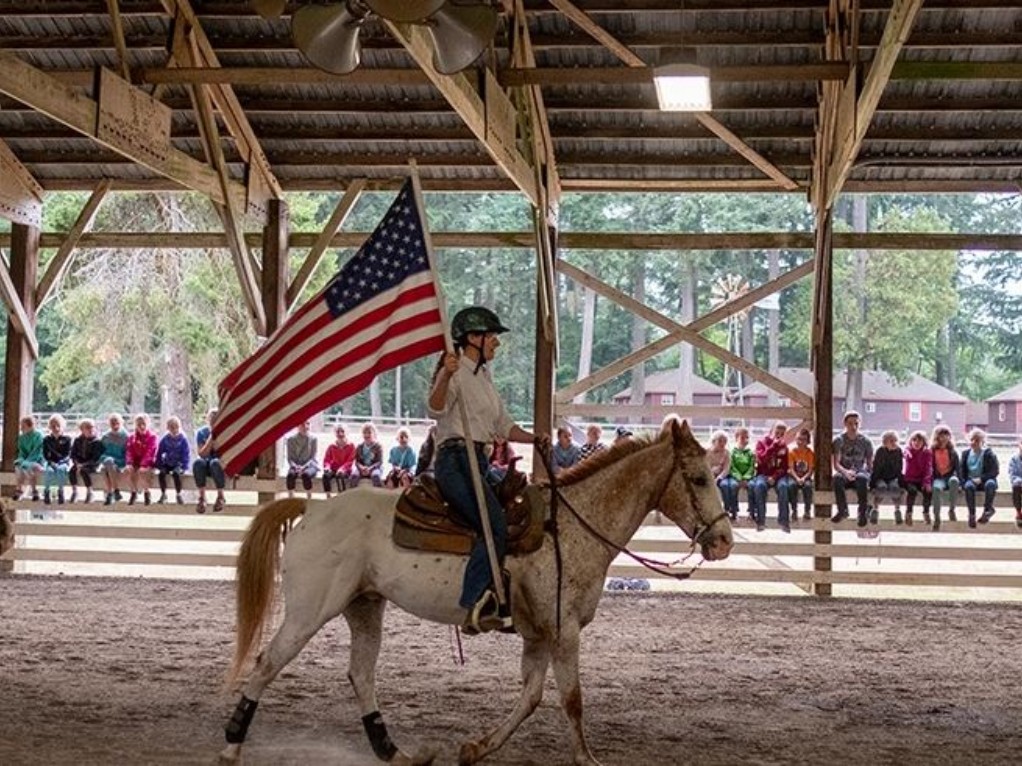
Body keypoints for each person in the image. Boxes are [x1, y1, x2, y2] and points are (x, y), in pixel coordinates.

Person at [428, 305, 545, 636]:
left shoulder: (484, 377)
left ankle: (507, 587)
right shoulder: (454, 372)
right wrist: (445, 375)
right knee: (494, 525)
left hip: (479, 459)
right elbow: (435, 408)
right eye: (491, 335)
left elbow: (504, 425)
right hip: (456, 460)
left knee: (521, 507)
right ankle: (472, 603)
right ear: (473, 338)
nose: (496, 342)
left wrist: (535, 439)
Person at [831, 411, 873, 526]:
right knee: (837, 479)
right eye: (850, 423)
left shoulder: (865, 441)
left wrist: (868, 475)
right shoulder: (839, 440)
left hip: (859, 471)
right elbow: (836, 464)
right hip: (844, 471)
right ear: (845, 424)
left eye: (856, 423)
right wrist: (846, 472)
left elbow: (869, 464)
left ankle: (862, 512)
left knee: (862, 479)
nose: (853, 427)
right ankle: (842, 510)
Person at [752, 421, 794, 532]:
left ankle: (784, 521)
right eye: (777, 432)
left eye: (782, 433)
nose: (779, 435)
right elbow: (762, 460)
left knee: (784, 487)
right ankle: (761, 521)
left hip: (778, 475)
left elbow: (784, 467)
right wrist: (773, 446)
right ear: (771, 431)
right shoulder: (761, 443)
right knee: (759, 486)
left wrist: (775, 477)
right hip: (764, 473)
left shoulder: (784, 447)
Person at [959, 428, 999, 528]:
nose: (973, 442)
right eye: (972, 440)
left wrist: (981, 479)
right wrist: (962, 483)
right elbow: (961, 471)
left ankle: (987, 510)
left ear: (982, 442)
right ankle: (971, 514)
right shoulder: (965, 454)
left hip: (985, 480)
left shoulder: (988, 454)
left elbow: (994, 471)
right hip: (971, 480)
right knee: (968, 486)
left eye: (976, 440)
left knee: (991, 484)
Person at [193, 408, 226, 514]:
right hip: (205, 464)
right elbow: (202, 453)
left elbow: (223, 453)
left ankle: (220, 496)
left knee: (215, 463)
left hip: (219, 465)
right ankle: (202, 497)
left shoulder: (226, 432)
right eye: (211, 420)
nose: (213, 422)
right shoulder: (201, 433)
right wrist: (211, 437)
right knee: (198, 463)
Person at [720, 426, 755, 522]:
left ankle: (752, 511)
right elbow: (732, 466)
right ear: (736, 438)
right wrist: (739, 478)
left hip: (747, 478)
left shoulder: (750, 452)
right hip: (735, 477)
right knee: (733, 486)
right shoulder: (732, 452)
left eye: (747, 437)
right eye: (742, 438)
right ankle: (734, 511)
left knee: (752, 486)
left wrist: (746, 478)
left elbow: (751, 466)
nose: (745, 440)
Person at [870, 430, 904, 526]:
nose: (894, 443)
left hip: (893, 477)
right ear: (885, 442)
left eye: (895, 441)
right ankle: (875, 509)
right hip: (881, 477)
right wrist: (872, 484)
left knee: (895, 488)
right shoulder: (880, 451)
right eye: (891, 441)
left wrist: (902, 483)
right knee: (881, 488)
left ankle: (897, 510)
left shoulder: (898, 451)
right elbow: (876, 468)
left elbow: (899, 469)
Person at [124, 413, 158, 506]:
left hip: (148, 462)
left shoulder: (152, 437)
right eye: (139, 424)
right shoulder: (132, 438)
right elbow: (129, 451)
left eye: (144, 424)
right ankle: (133, 492)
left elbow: (150, 452)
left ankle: (147, 493)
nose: (142, 427)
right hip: (135, 462)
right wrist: (129, 463)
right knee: (127, 471)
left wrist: (144, 465)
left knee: (142, 472)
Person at [902, 430, 934, 529]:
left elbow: (928, 468)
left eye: (920, 441)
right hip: (909, 479)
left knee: (928, 492)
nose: (916, 443)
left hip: (921, 479)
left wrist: (926, 482)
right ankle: (909, 513)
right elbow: (904, 458)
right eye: (914, 440)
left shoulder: (927, 453)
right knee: (912, 491)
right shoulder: (907, 451)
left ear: (924, 442)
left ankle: (926, 512)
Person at [155, 416, 190, 504]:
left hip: (178, 463)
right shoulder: (165, 439)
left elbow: (186, 453)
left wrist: (184, 466)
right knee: (162, 473)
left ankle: (178, 494)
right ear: (168, 428)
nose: (174, 430)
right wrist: (159, 464)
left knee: (176, 474)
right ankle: (163, 494)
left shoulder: (183, 439)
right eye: (172, 428)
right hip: (168, 461)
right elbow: (159, 452)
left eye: (176, 427)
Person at [930, 425, 960, 525]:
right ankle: (937, 517)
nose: (944, 438)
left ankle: (952, 509)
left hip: (949, 477)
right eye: (941, 435)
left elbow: (958, 469)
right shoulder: (932, 451)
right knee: (936, 488)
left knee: (954, 481)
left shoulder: (953, 452)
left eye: (946, 435)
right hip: (938, 478)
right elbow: (929, 468)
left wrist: (961, 483)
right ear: (937, 437)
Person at [69, 418, 103, 503]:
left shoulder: (97, 442)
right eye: (87, 428)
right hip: (79, 463)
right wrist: (77, 463)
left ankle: (90, 492)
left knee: (84, 471)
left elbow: (96, 458)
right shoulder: (77, 440)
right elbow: (73, 454)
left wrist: (84, 465)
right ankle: (75, 491)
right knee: (71, 471)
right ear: (82, 430)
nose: (90, 429)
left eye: (92, 427)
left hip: (91, 464)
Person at [41, 414, 72, 505]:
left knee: (61, 470)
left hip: (63, 462)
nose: (56, 428)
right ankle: (47, 491)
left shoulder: (67, 439)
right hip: (51, 462)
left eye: (58, 425)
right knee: (49, 471)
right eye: (53, 426)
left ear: (62, 426)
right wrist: (51, 462)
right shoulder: (47, 439)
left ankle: (61, 491)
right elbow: (45, 454)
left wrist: (61, 462)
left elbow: (68, 454)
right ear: (50, 427)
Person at [99, 413, 129, 506]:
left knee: (106, 468)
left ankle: (110, 493)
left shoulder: (126, 437)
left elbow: (127, 454)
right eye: (112, 423)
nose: (115, 425)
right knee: (105, 466)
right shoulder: (105, 437)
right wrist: (107, 459)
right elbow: (100, 453)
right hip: (108, 462)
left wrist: (117, 461)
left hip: (120, 463)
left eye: (117, 423)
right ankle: (115, 491)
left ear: (121, 423)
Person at [13, 416, 44, 502]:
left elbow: (37, 451)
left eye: (23, 426)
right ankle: (19, 490)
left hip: (36, 460)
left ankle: (34, 491)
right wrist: (21, 460)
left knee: (28, 468)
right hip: (24, 460)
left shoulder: (38, 436)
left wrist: (27, 462)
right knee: (18, 468)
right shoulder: (21, 438)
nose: (21, 428)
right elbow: (21, 452)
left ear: (31, 426)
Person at [285, 420, 319, 498]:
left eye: (307, 424)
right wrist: (295, 466)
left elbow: (313, 457)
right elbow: (290, 458)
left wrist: (304, 467)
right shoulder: (291, 440)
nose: (305, 427)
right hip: (296, 465)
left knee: (306, 475)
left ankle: (309, 497)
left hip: (310, 465)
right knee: (290, 475)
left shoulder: (313, 439)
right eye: (302, 425)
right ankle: (291, 497)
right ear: (298, 426)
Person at [787, 427, 814, 523]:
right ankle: (794, 510)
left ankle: (807, 510)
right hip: (794, 476)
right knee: (791, 486)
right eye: (799, 439)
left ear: (808, 441)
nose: (801, 442)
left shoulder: (810, 453)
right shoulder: (792, 452)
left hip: (806, 477)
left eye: (803, 440)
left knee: (808, 487)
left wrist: (804, 478)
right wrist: (797, 478)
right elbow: (791, 468)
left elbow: (810, 470)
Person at [322, 424, 355, 495]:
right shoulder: (331, 446)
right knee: (325, 476)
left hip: (345, 470)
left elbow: (350, 461)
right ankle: (328, 495)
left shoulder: (351, 446)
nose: (340, 434)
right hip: (334, 469)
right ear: (335, 433)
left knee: (340, 476)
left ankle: (341, 495)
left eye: (342, 431)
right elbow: (327, 459)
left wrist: (342, 469)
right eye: (338, 432)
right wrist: (327, 467)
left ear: (346, 432)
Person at [349, 422, 383, 488]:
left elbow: (379, 462)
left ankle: (377, 492)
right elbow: (357, 461)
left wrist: (370, 469)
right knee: (354, 475)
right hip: (361, 468)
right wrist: (362, 468)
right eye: (364, 433)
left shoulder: (378, 446)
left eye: (369, 433)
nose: (367, 435)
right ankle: (353, 492)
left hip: (374, 467)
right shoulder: (359, 446)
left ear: (374, 434)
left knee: (376, 476)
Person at [705, 430, 730, 510]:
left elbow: (727, 468)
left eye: (725, 441)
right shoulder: (706, 452)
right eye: (720, 441)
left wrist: (719, 477)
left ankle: (726, 509)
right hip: (708, 475)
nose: (723, 444)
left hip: (721, 477)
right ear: (713, 441)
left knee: (725, 485)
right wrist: (711, 472)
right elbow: (704, 467)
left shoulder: (726, 453)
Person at [1009, 437, 1022, 530]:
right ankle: (1018, 511)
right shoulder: (1014, 459)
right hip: (1019, 483)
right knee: (1016, 486)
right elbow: (1012, 474)